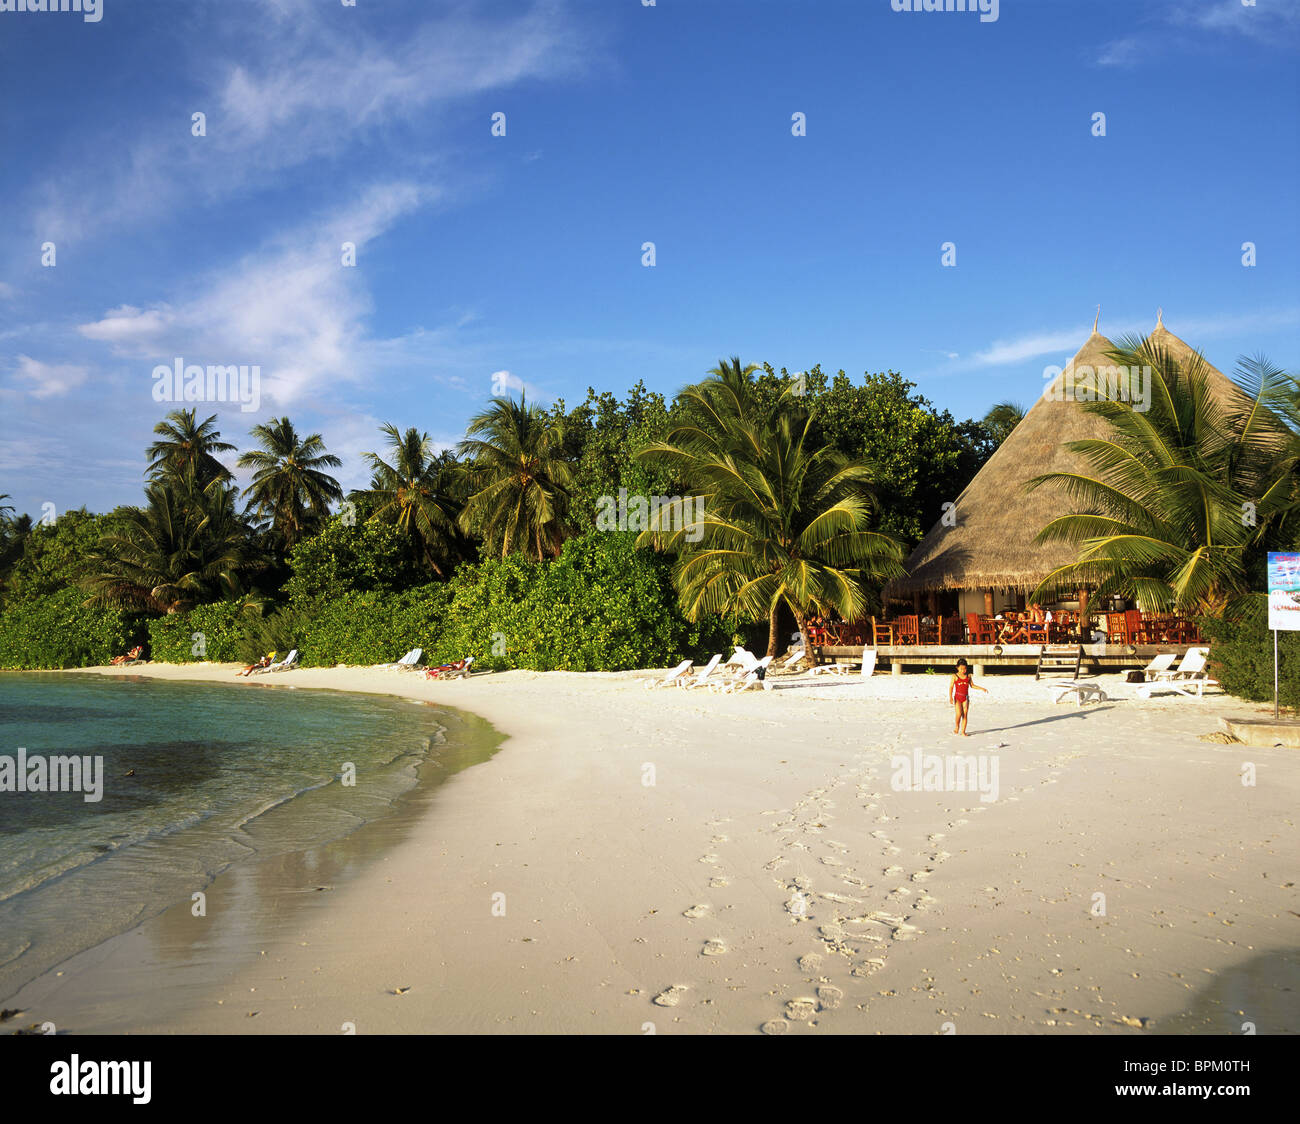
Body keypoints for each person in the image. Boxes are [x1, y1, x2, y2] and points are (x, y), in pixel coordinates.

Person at [949, 658, 988, 736]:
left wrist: (982, 688)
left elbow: (972, 685)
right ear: (957, 668)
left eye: (964, 669)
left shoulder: (968, 676)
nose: (963, 670)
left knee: (965, 715)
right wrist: (950, 697)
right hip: (957, 698)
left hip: (965, 698)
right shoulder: (955, 676)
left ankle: (963, 731)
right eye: (961, 669)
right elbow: (951, 687)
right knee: (959, 714)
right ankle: (957, 726)